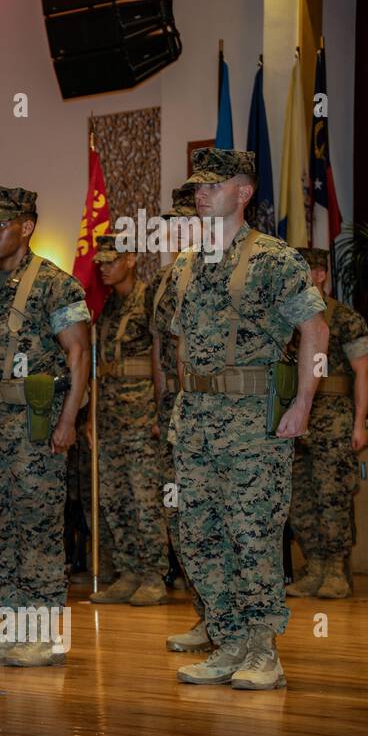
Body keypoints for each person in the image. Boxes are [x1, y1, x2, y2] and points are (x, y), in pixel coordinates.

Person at [169, 148, 327, 691]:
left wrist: (303, 402)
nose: (201, 194)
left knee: (252, 534)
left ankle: (263, 650)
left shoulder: (275, 259)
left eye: (214, 186)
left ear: (244, 193)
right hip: (195, 421)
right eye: (198, 187)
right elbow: (181, 341)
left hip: (252, 424)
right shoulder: (186, 265)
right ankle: (229, 640)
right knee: (197, 533)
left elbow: (314, 330)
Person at [0, 185, 90, 667]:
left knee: (37, 529)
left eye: (1, 224)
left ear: (27, 227)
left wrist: (68, 421)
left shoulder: (56, 284)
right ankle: (13, 626)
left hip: (36, 424)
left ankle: (43, 631)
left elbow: (79, 355)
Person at [285, 247, 368, 600]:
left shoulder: (345, 318)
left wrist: (360, 423)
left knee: (331, 495)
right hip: (296, 421)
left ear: (320, 275)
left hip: (333, 419)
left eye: (305, 271)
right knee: (300, 497)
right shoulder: (288, 319)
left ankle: (335, 569)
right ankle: (315, 565)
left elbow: (364, 371)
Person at [88, 234, 168, 606]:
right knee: (114, 497)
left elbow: (163, 357)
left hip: (141, 417)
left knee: (145, 497)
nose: (104, 268)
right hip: (110, 417)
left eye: (111, 261)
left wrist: (160, 411)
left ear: (132, 259)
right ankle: (128, 571)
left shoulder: (149, 299)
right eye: (101, 262)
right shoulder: (109, 308)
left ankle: (153, 575)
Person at [153, 187, 214, 652]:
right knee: (183, 521)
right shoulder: (172, 276)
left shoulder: (231, 268)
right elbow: (161, 349)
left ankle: (231, 624)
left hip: (220, 415)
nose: (177, 231)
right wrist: (162, 409)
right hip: (177, 417)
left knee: (219, 521)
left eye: (184, 220)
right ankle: (206, 614)